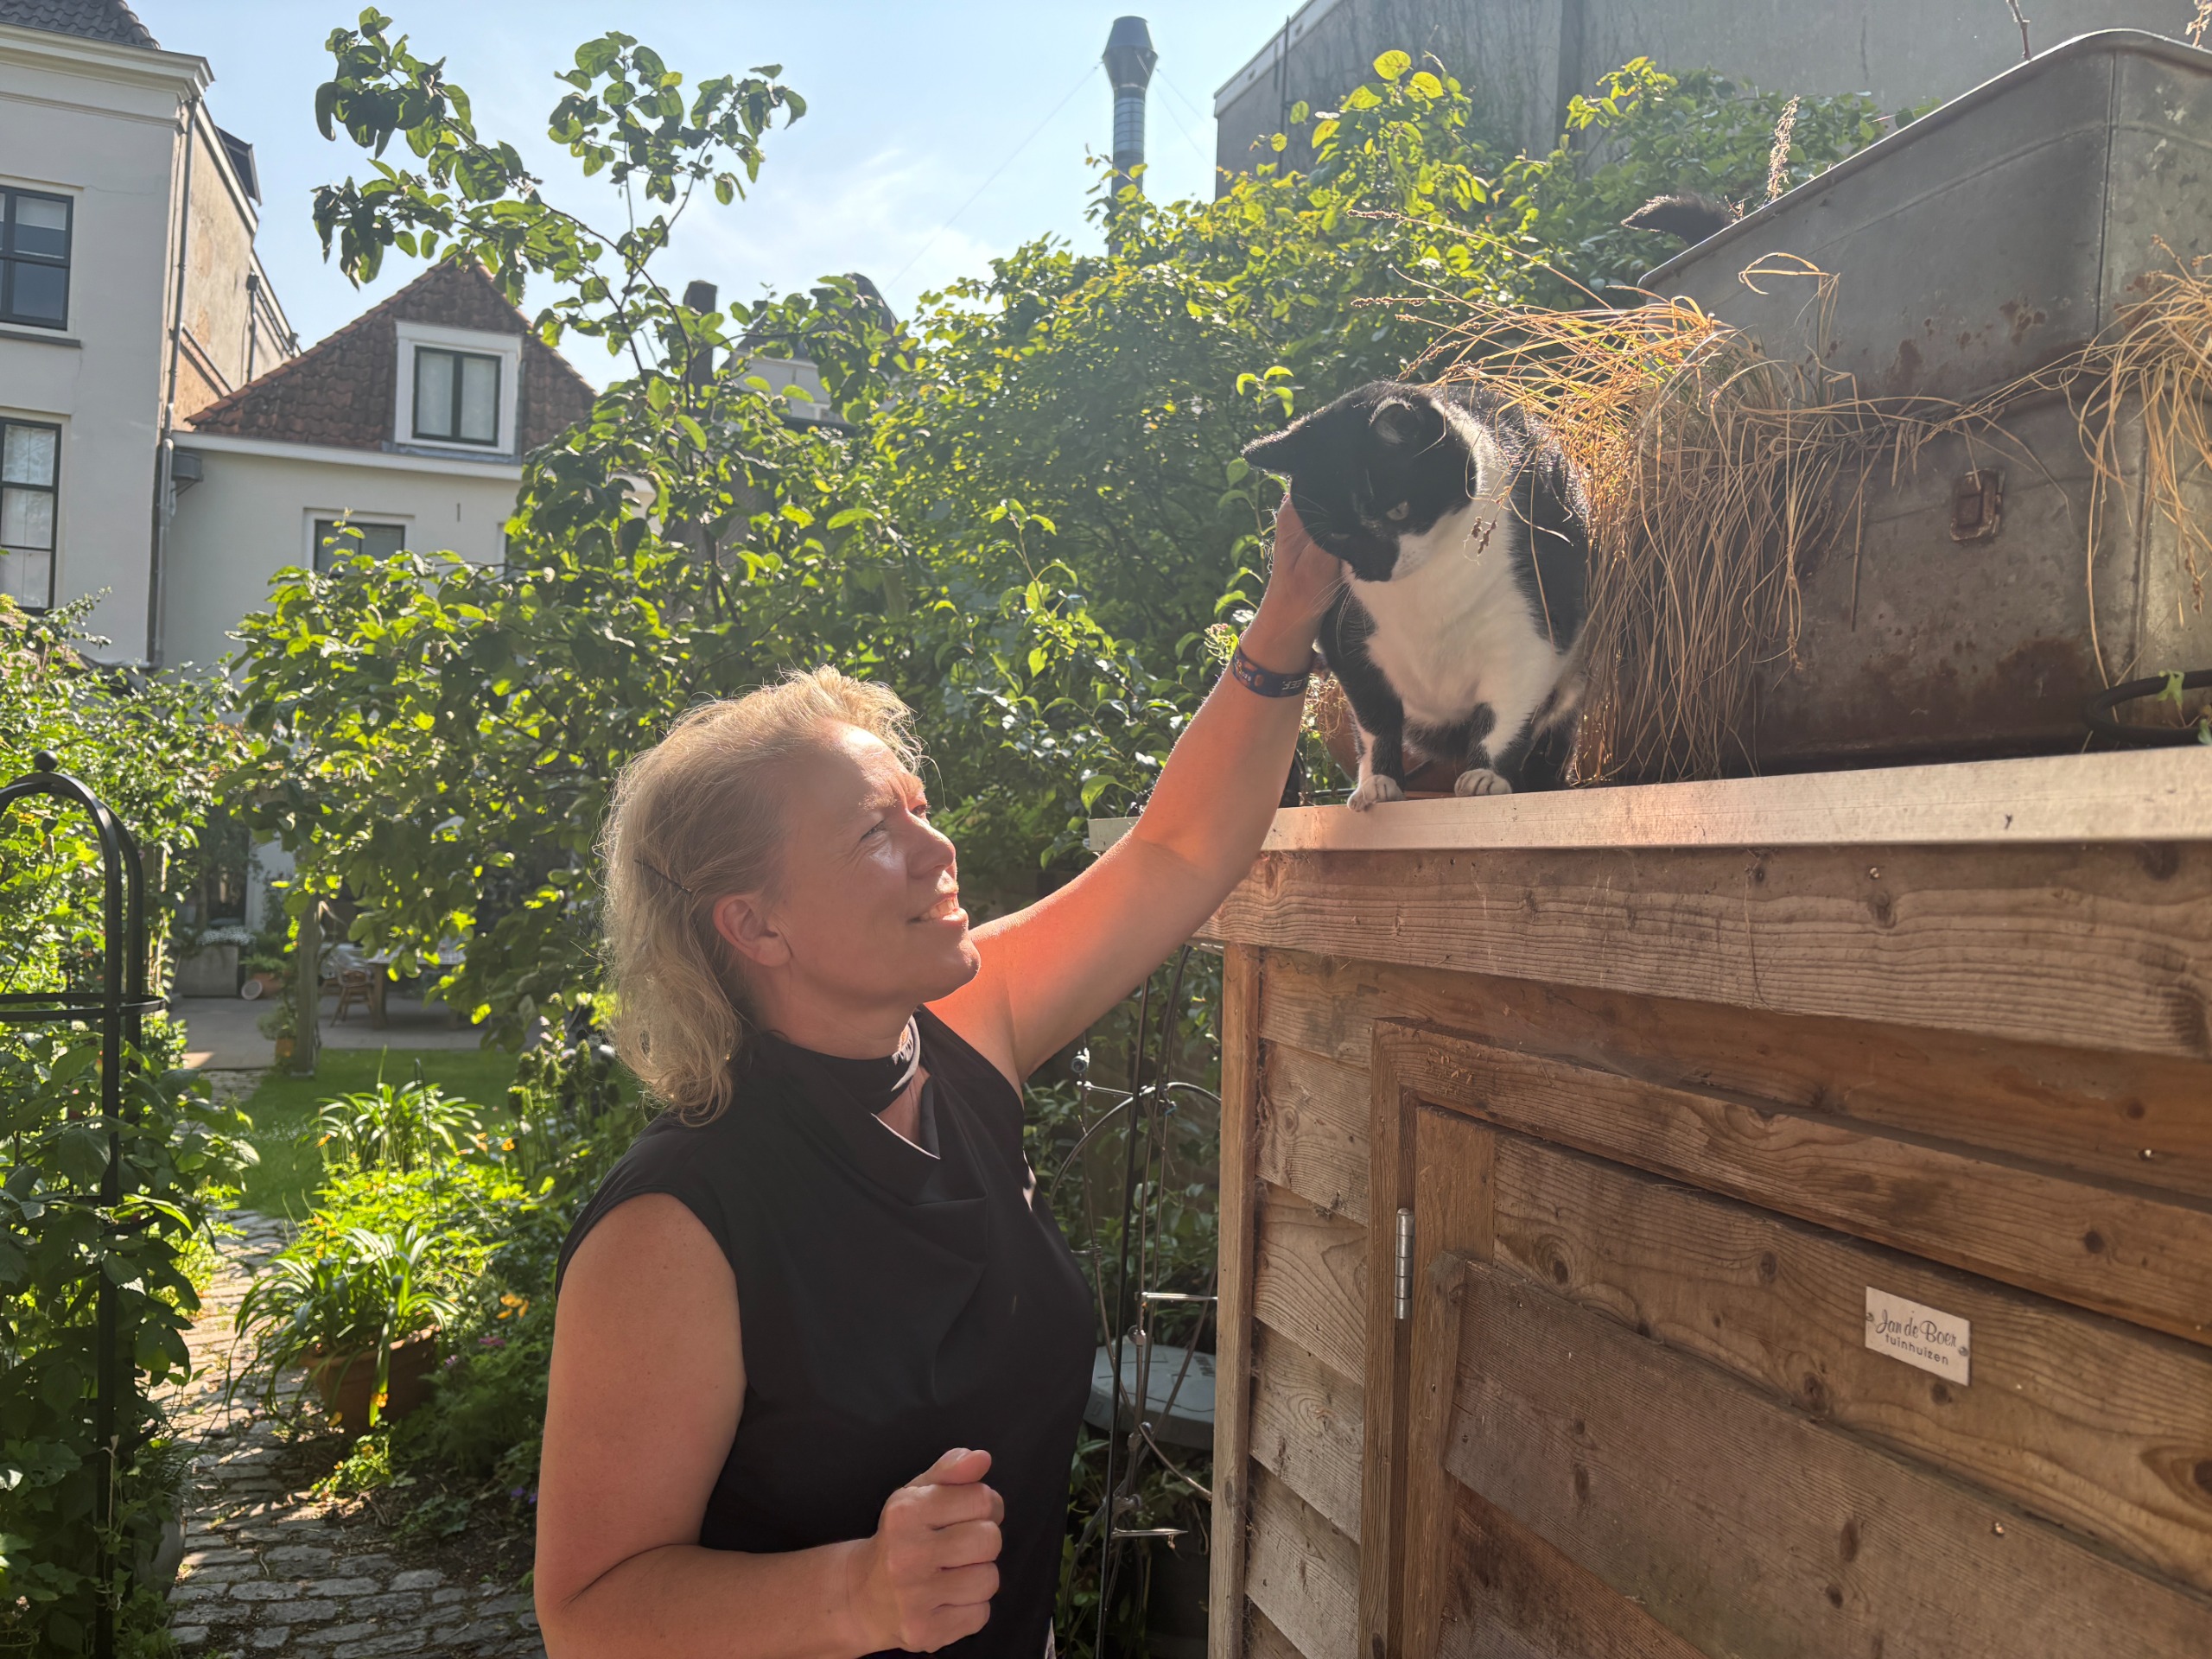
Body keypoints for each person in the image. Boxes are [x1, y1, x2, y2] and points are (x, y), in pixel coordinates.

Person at [535, 504, 1342, 1658]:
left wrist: (1288, 618)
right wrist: (856, 1597)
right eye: (876, 832)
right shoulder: (675, 1225)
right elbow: (587, 1610)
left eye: (919, 808)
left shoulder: (964, 1029)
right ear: (753, 924)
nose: (937, 849)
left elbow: (1177, 852)